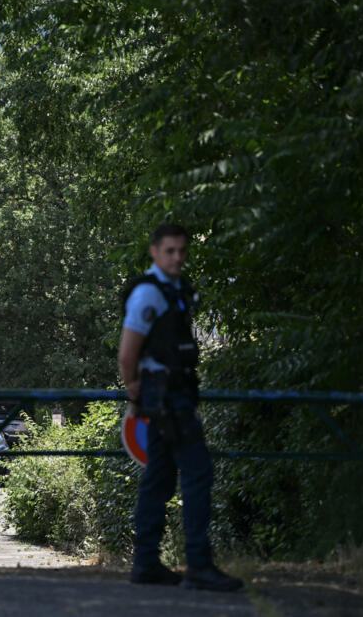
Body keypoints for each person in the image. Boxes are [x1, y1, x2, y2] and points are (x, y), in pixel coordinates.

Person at [118, 223, 243, 592]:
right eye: (170, 251)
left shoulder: (174, 291)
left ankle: (146, 564)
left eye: (182, 251)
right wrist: (134, 393)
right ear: (155, 251)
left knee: (158, 479)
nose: (177, 258)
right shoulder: (149, 294)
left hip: (170, 396)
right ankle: (199, 565)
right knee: (198, 473)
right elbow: (128, 354)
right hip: (168, 398)